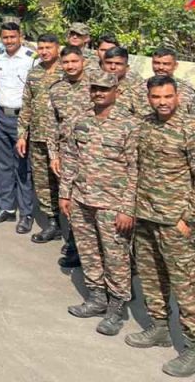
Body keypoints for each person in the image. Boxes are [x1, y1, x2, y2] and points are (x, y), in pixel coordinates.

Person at [58, 70, 138, 337]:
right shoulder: (80, 120)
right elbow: (70, 157)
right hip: (81, 199)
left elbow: (135, 169)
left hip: (112, 203)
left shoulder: (129, 125)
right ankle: (96, 297)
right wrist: (65, 193)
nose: (98, 93)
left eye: (104, 89)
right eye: (94, 88)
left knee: (116, 256)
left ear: (116, 91)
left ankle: (116, 307)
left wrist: (127, 208)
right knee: (88, 251)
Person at [126, 76, 195, 376]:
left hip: (174, 221)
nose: (162, 102)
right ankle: (159, 327)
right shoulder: (144, 125)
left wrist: (188, 219)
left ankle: (193, 346)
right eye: (156, 97)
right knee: (151, 276)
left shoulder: (189, 128)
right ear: (149, 98)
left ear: (177, 96)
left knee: (186, 285)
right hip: (145, 214)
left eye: (167, 96)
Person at [0, 22, 37, 232]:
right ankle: (6, 207)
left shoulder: (31, 59)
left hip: (21, 118)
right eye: (5, 37)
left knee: (23, 167)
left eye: (12, 37)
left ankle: (26, 213)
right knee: (3, 164)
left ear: (20, 36)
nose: (9, 41)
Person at [17, 33, 64, 243]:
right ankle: (53, 224)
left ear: (57, 48)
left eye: (48, 48)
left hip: (62, 140)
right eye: (41, 48)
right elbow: (27, 105)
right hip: (37, 136)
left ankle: (74, 234)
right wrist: (22, 134)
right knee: (43, 182)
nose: (44, 52)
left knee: (65, 182)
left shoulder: (67, 71)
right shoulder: (34, 73)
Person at [49, 46, 92, 269]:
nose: (70, 66)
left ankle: (91, 250)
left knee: (90, 203)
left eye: (74, 61)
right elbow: (52, 125)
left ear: (83, 61)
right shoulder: (56, 89)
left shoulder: (95, 86)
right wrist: (53, 154)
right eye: (66, 62)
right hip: (67, 154)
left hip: (93, 155)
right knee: (71, 202)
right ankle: (76, 248)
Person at [101, 46, 145, 115]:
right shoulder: (92, 86)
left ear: (127, 68)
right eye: (108, 63)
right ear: (102, 66)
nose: (112, 67)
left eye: (118, 64)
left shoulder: (137, 90)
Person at [149, 47, 195, 112]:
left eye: (166, 64)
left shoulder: (188, 90)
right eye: (157, 63)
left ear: (175, 65)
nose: (161, 67)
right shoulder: (138, 88)